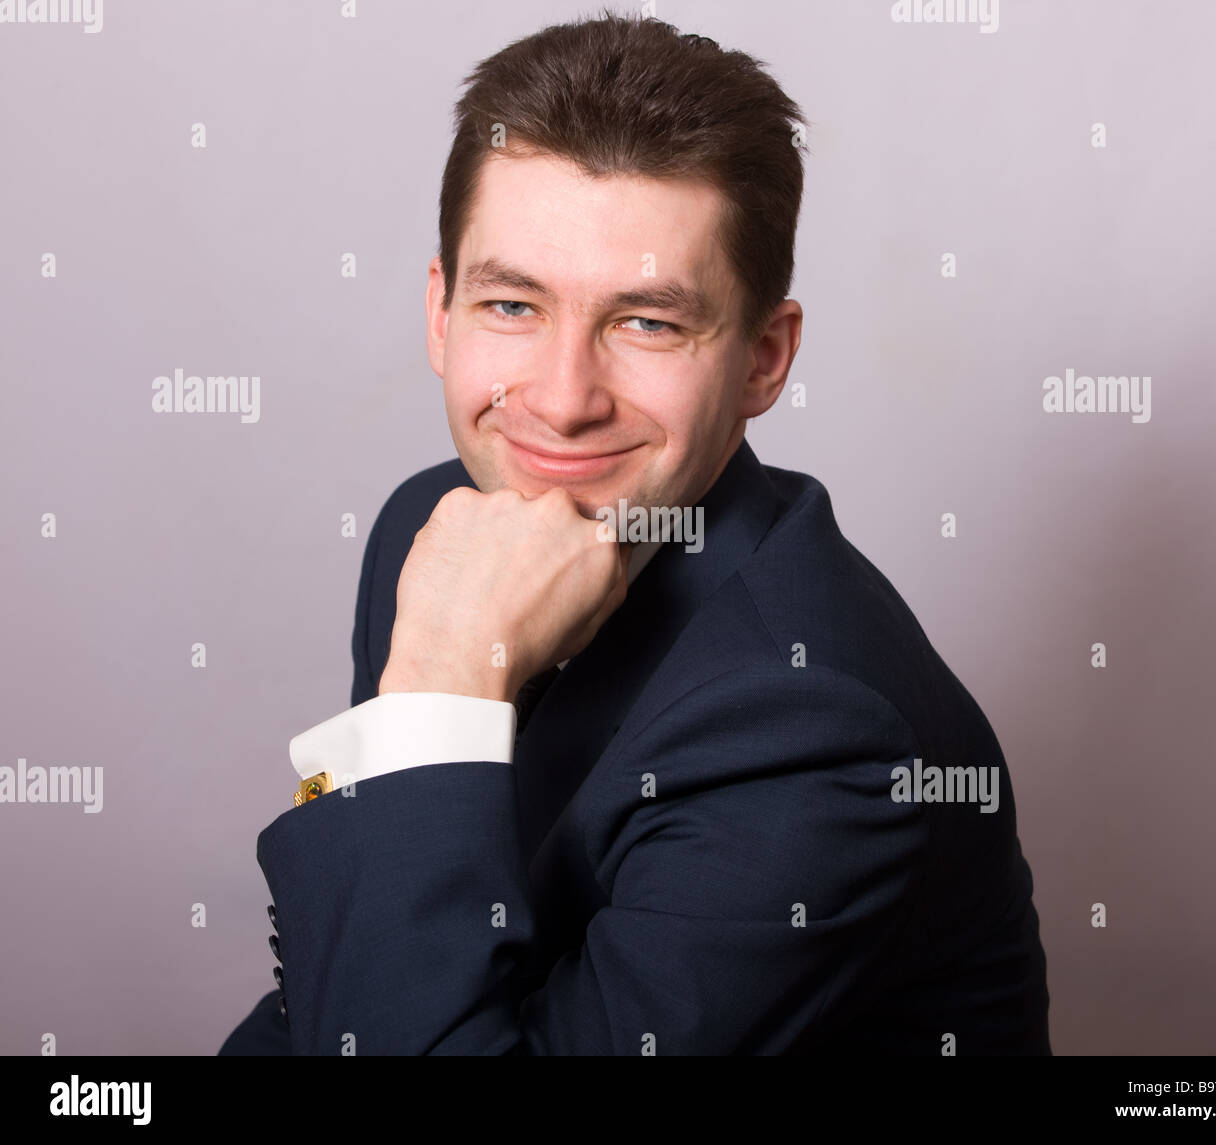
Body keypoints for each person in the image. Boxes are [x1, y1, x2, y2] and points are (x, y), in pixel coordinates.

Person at [219, 11, 1050, 1055]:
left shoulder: (815, 732)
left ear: (763, 359)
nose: (563, 401)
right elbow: (359, 972)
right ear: (441, 313)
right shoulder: (436, 531)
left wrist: (438, 684)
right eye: (512, 305)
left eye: (647, 322)